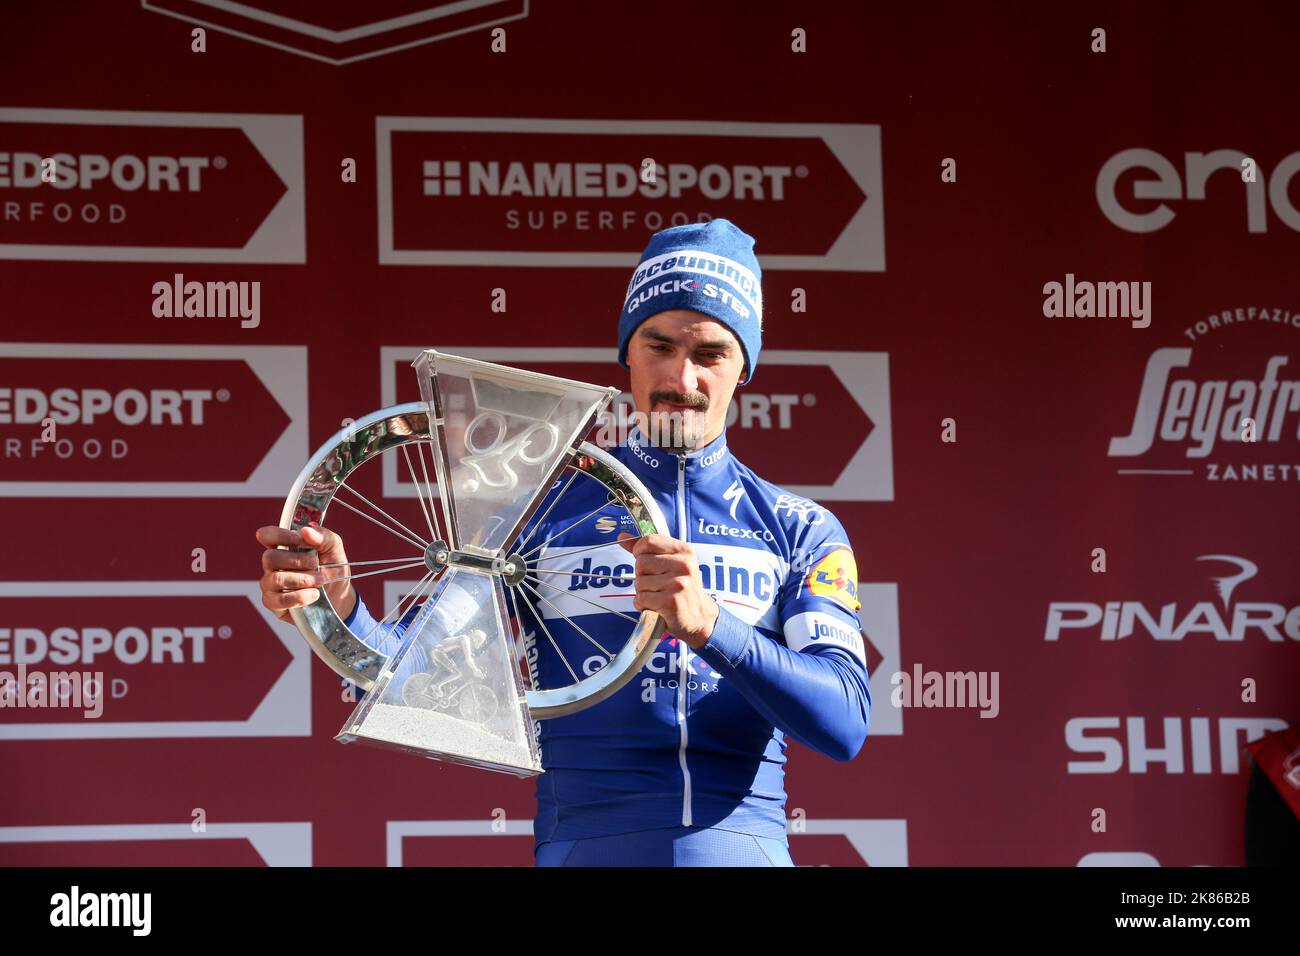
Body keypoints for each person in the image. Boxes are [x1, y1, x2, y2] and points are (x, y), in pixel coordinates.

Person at [256, 218, 871, 867]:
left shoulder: (800, 527)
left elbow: (844, 723)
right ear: (626, 355)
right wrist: (335, 605)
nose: (680, 380)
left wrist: (709, 626)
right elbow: (412, 678)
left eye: (710, 354)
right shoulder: (540, 508)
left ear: (745, 364)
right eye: (658, 345)